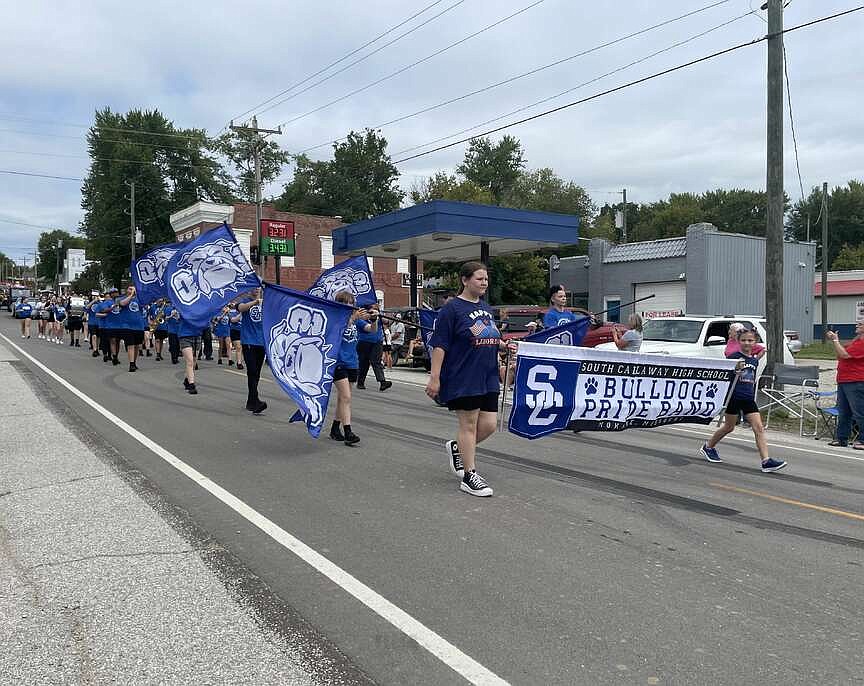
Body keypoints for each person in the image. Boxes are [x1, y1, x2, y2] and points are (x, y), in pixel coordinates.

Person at [426, 261, 512, 497]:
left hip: (488, 375)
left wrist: (503, 345)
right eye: (479, 279)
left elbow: (488, 335)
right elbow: (440, 345)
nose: (484, 283)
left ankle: (458, 448)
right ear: (465, 280)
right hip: (463, 375)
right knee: (469, 425)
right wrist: (435, 378)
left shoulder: (486, 307)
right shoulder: (451, 309)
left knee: (489, 425)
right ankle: (469, 475)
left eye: (486, 279)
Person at [700, 328, 788, 473]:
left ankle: (766, 461)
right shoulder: (734, 357)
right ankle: (708, 447)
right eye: (743, 340)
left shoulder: (754, 360)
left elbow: (752, 368)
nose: (747, 343)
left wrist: (758, 356)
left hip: (748, 398)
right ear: (738, 341)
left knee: (759, 428)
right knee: (729, 427)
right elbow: (724, 375)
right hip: (734, 397)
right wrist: (735, 370)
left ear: (755, 342)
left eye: (750, 340)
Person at [329, 291, 367, 446]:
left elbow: (370, 329)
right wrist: (353, 318)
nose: (348, 305)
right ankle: (348, 432)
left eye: (351, 302)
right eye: (345, 302)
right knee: (346, 397)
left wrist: (374, 319)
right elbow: (336, 331)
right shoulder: (334, 319)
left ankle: (335, 428)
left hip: (352, 363)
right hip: (338, 362)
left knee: (342, 398)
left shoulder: (356, 320)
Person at [826, 322, 864, 449]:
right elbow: (840, 354)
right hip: (844, 380)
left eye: (861, 323)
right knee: (844, 411)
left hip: (856, 381)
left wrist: (835, 340)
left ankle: (863, 440)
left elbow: (844, 355)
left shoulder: (862, 343)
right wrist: (835, 342)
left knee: (859, 412)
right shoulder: (855, 342)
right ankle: (842, 438)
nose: (858, 324)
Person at [237, 288, 267, 413]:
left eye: (258, 287)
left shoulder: (265, 303)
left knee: (256, 373)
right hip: (249, 341)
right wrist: (255, 302)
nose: (256, 289)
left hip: (261, 342)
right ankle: (255, 401)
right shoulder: (245, 301)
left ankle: (251, 401)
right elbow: (241, 308)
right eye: (254, 287)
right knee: (252, 371)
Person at [356, 304, 392, 391]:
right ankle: (360, 382)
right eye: (372, 310)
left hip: (377, 342)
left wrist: (379, 316)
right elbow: (368, 329)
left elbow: (388, 322)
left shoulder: (378, 318)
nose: (373, 312)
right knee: (364, 363)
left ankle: (382, 382)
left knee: (376, 361)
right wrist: (371, 318)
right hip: (364, 342)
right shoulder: (360, 320)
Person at [176, 311, 201, 395]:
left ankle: (187, 380)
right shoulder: (182, 307)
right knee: (190, 361)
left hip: (197, 336)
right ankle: (192, 385)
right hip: (185, 336)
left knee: (194, 362)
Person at [228, 303, 243, 368]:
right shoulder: (232, 312)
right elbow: (233, 320)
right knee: (238, 347)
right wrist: (241, 314)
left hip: (243, 331)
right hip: (235, 330)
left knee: (243, 348)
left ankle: (241, 360)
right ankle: (239, 363)